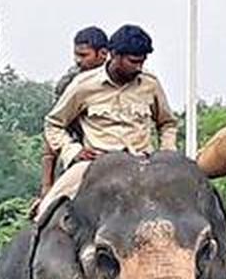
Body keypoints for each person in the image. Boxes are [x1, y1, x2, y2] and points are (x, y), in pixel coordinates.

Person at [39, 24, 178, 216]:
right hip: (94, 164)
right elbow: (54, 123)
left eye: (142, 62)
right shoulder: (82, 84)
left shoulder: (150, 84)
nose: (139, 67)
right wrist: (74, 151)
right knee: (47, 209)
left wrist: (166, 153)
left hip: (144, 164)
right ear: (114, 55)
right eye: (133, 61)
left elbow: (167, 123)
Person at [40, 26, 111, 197]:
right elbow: (53, 129)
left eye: (84, 55)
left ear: (103, 53)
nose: (78, 61)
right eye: (76, 55)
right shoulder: (69, 84)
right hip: (81, 160)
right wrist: (46, 187)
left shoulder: (129, 80)